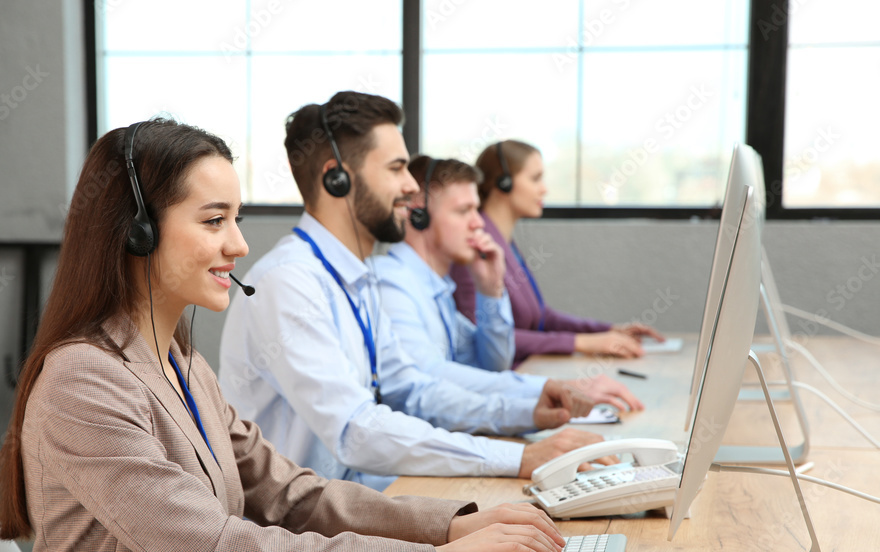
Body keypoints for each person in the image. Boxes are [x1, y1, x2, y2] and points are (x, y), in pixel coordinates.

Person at [0, 119, 568, 552]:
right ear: (136, 233)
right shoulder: (84, 382)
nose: (238, 245)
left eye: (234, 219)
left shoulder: (182, 363)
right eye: (214, 221)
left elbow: (293, 496)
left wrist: (448, 526)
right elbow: (213, 551)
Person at [220, 91, 612, 493]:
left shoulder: (357, 278)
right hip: (304, 529)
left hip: (358, 497)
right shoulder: (288, 283)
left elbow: (414, 388)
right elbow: (355, 430)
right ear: (336, 177)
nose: (410, 187)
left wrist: (528, 410)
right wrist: (519, 458)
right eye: (396, 169)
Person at [373, 155, 643, 411]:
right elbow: (430, 375)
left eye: (476, 210)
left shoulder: (435, 289)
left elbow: (492, 363)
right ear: (418, 214)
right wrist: (550, 388)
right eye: (464, 211)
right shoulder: (392, 283)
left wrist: (491, 291)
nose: (478, 223)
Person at [450, 140, 666, 366]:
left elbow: (541, 316)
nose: (544, 189)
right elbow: (482, 336)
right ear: (504, 183)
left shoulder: (504, 241)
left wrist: (608, 330)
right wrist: (580, 343)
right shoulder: (477, 247)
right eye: (535, 178)